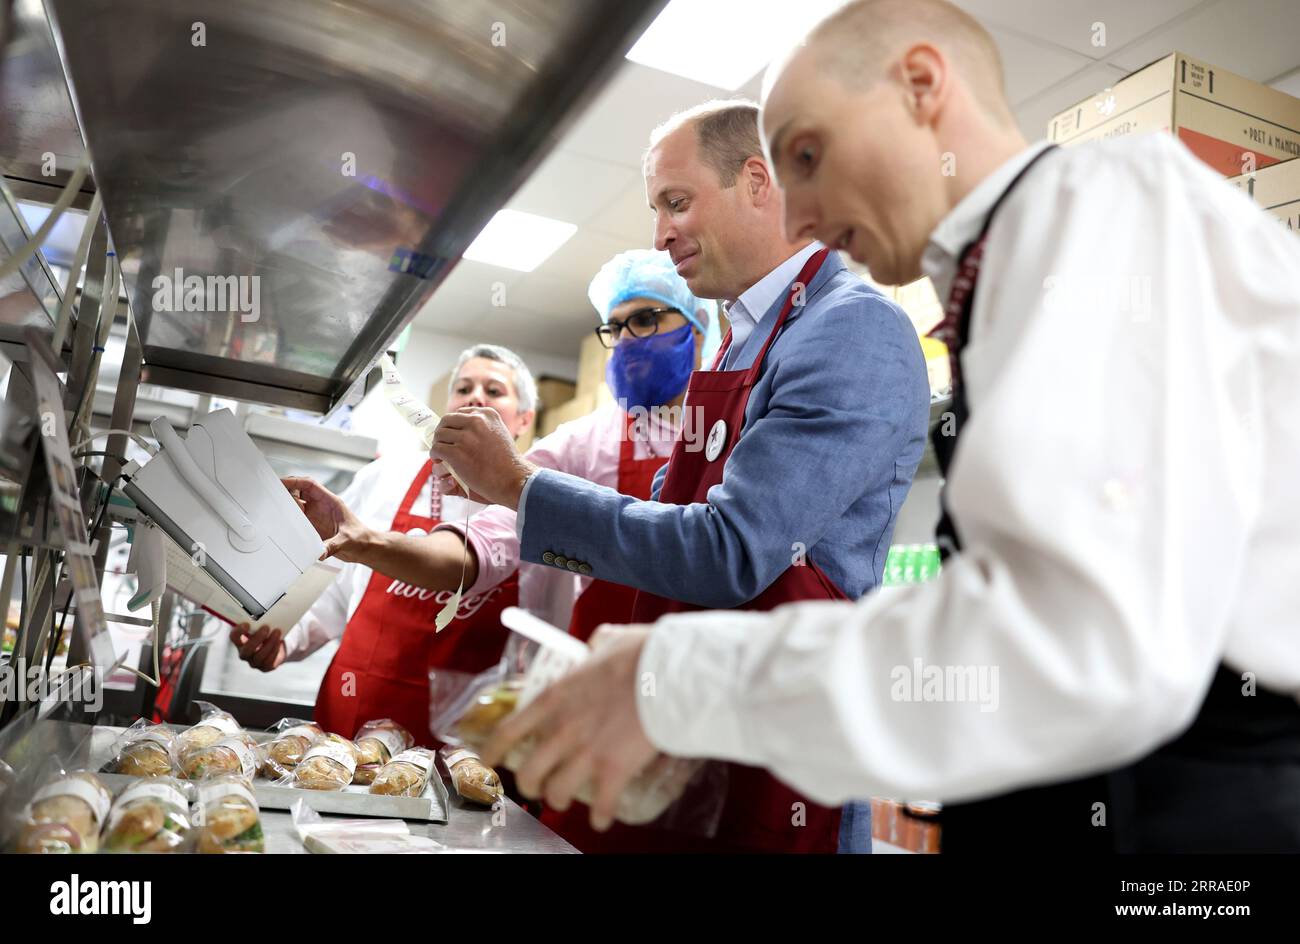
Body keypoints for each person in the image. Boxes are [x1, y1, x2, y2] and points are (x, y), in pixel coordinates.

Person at [476, 0, 1300, 853]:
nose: (797, 219)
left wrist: (675, 678)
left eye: (806, 154)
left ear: (922, 86)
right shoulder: (1012, 267)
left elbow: (1074, 649)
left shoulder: (1111, 214)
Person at [430, 99, 931, 853]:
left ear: (758, 181)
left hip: (780, 756)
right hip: (698, 729)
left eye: (677, 201)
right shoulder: (739, 341)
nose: (661, 234)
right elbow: (665, 519)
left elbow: (729, 551)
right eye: (656, 208)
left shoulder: (852, 328)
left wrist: (517, 486)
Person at [284, 249, 720, 642]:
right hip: (606, 683)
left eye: (645, 321)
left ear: (698, 332)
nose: (626, 340)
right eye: (615, 327)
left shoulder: (740, 425)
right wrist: (364, 541)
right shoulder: (584, 443)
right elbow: (485, 543)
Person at [229, 343, 536, 749]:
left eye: (494, 392)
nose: (475, 396)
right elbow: (332, 588)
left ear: (522, 420)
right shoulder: (388, 477)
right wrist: (286, 637)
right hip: (354, 722)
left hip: (467, 741)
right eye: (463, 389)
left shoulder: (531, 505)